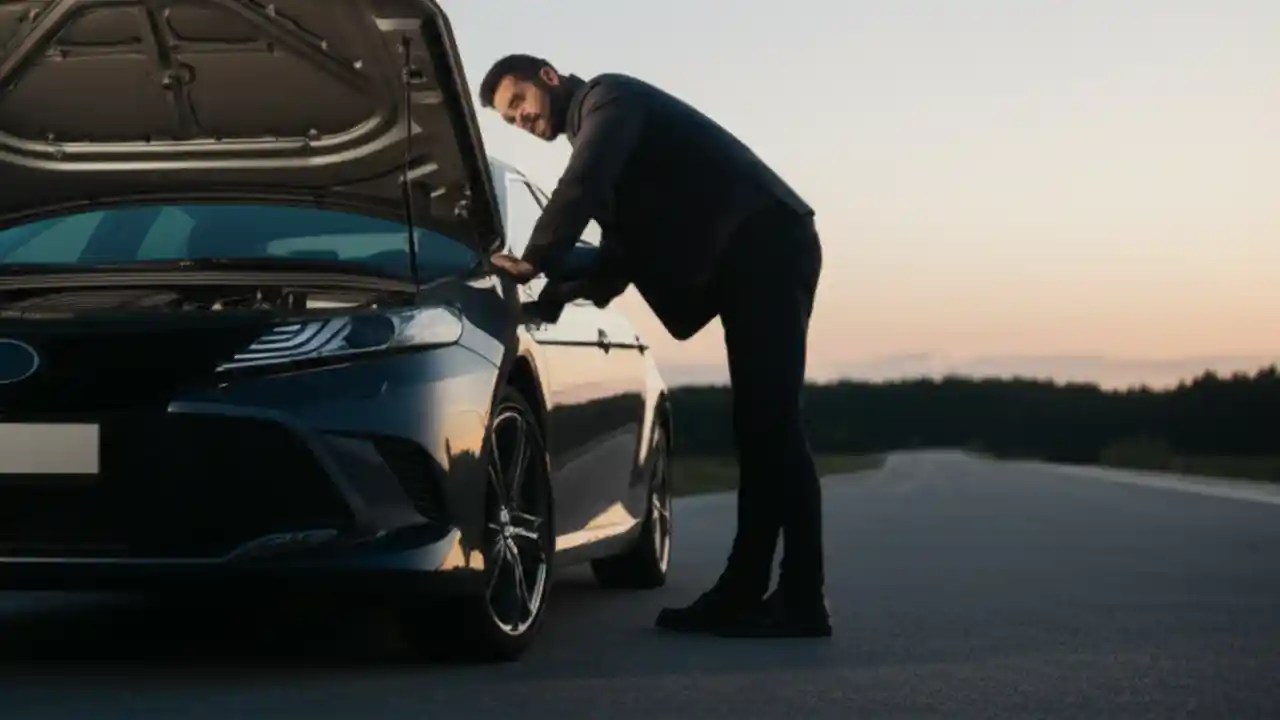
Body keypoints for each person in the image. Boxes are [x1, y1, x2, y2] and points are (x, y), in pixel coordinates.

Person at [479, 55, 830, 638]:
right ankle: (743, 591)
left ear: (548, 77)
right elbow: (616, 264)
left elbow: (582, 183)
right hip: (751, 257)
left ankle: (800, 598)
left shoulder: (609, 102)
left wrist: (533, 258)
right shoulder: (608, 152)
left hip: (769, 243)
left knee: (773, 426)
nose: (521, 120)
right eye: (510, 121)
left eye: (518, 104)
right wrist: (550, 299)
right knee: (760, 428)